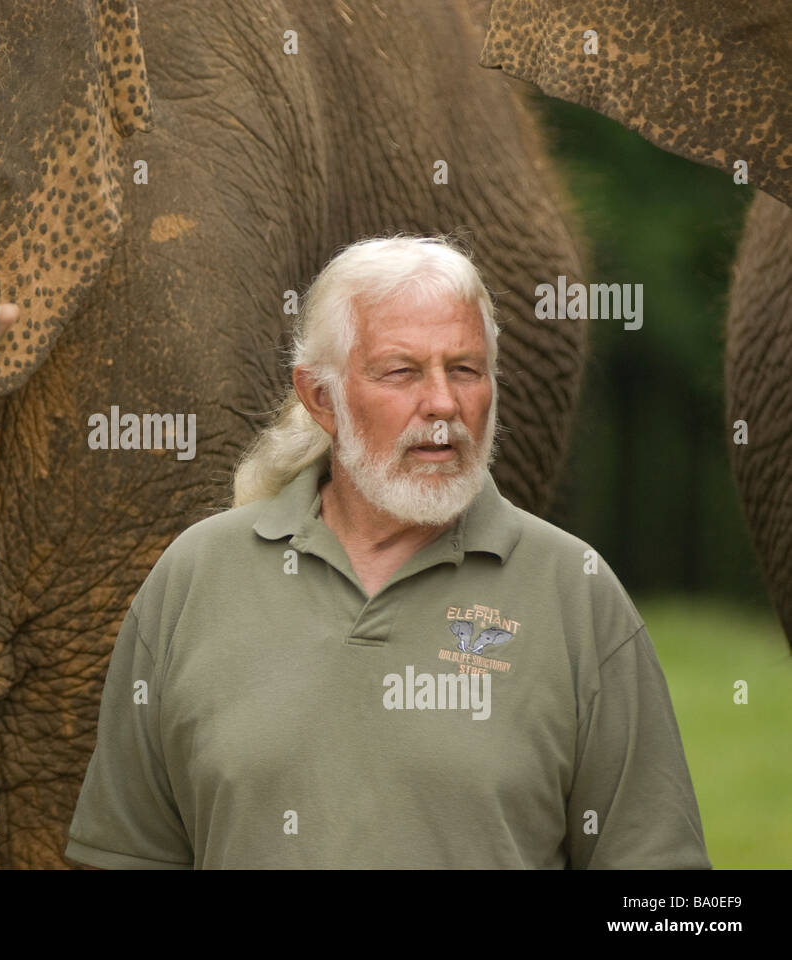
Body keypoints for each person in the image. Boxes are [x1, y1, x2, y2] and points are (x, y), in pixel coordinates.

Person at [64, 236, 710, 869]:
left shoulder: (577, 591)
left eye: (465, 370)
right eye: (402, 372)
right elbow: (128, 854)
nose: (442, 404)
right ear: (323, 398)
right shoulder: (195, 576)